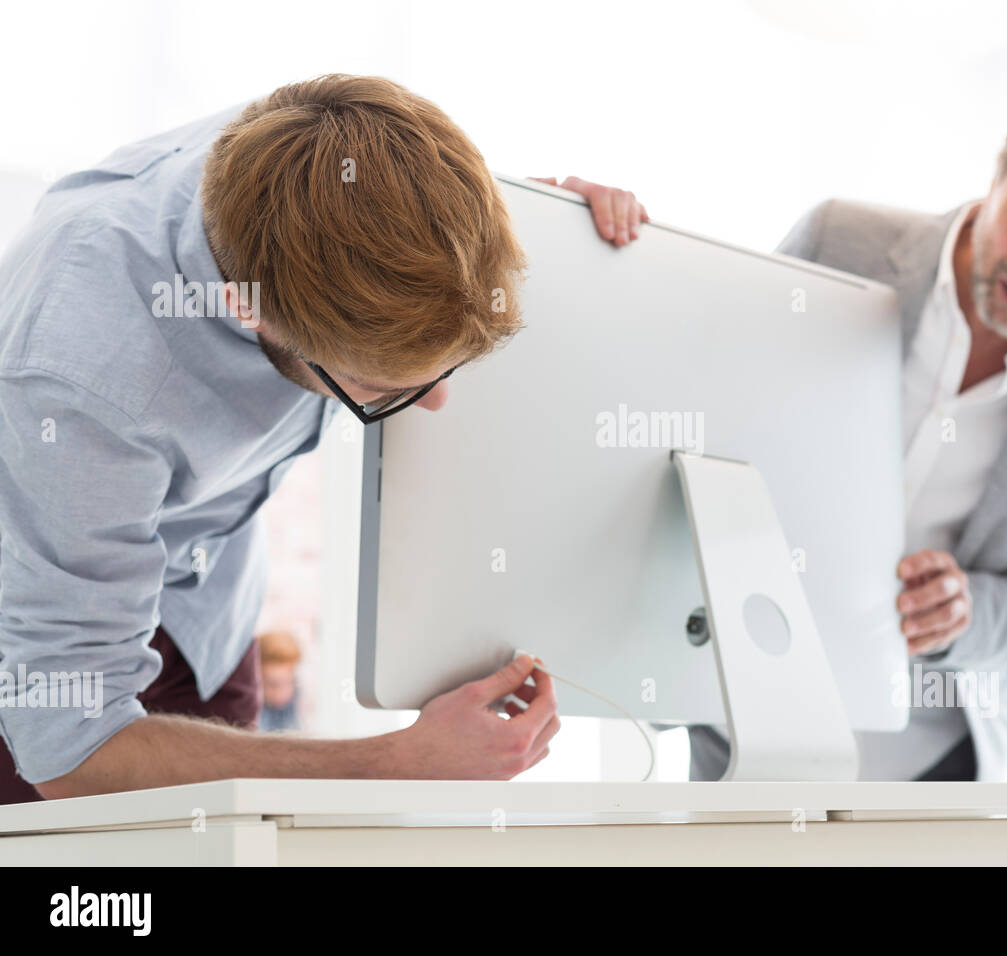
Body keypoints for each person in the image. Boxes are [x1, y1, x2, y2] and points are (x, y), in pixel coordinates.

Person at [0, 74, 647, 803]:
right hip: (37, 649)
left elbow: (414, 252)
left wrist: (548, 224)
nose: (433, 403)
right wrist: (400, 761)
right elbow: (70, 751)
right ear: (257, 319)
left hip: (207, 613)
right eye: (379, 390)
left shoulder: (331, 150)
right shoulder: (78, 370)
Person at [688, 88, 1007, 782]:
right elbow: (709, 412)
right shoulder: (838, 242)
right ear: (996, 181)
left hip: (932, 753)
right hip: (743, 707)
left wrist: (969, 613)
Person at [257, 630, 303, 733]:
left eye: (289, 682)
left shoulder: (295, 698)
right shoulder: (253, 710)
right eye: (273, 685)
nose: (282, 693)